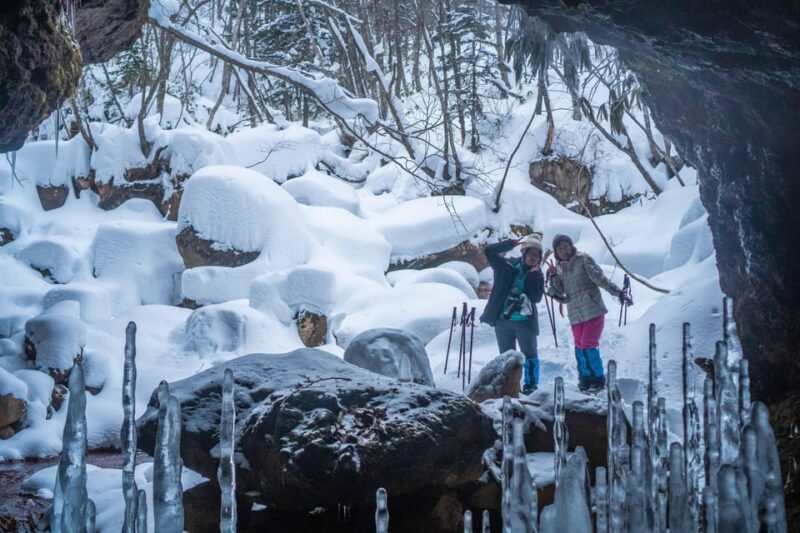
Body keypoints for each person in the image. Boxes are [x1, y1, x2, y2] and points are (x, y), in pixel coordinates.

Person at [546, 234, 633, 392]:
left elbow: (600, 279)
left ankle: (597, 378)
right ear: (556, 252)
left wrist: (618, 292)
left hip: (592, 308)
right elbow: (559, 291)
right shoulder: (559, 268)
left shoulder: (583, 259)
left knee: (588, 344)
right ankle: (584, 378)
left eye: (565, 246)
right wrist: (552, 276)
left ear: (571, 246)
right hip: (575, 312)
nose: (563, 250)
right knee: (579, 346)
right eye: (559, 249)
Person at [479, 234, 545, 394]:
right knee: (506, 357)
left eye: (537, 255)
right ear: (524, 252)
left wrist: (534, 276)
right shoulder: (506, 265)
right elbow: (489, 252)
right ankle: (508, 386)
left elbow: (536, 298)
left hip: (525, 322)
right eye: (531, 253)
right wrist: (509, 244)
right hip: (503, 320)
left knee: (529, 355)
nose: (534, 257)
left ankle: (531, 387)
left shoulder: (537, 274)